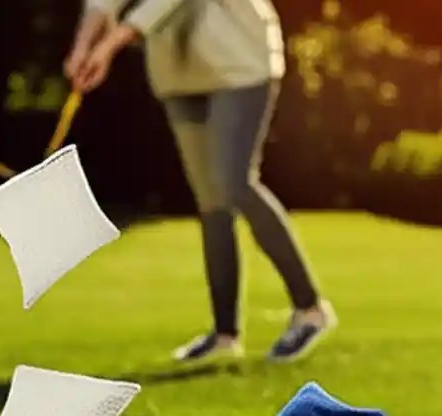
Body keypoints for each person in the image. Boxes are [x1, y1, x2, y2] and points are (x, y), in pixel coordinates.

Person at [64, 0, 337, 364]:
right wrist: (82, 49)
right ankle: (225, 334)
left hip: (239, 61)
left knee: (234, 183)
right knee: (211, 201)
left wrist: (111, 44)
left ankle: (310, 309)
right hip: (177, 74)